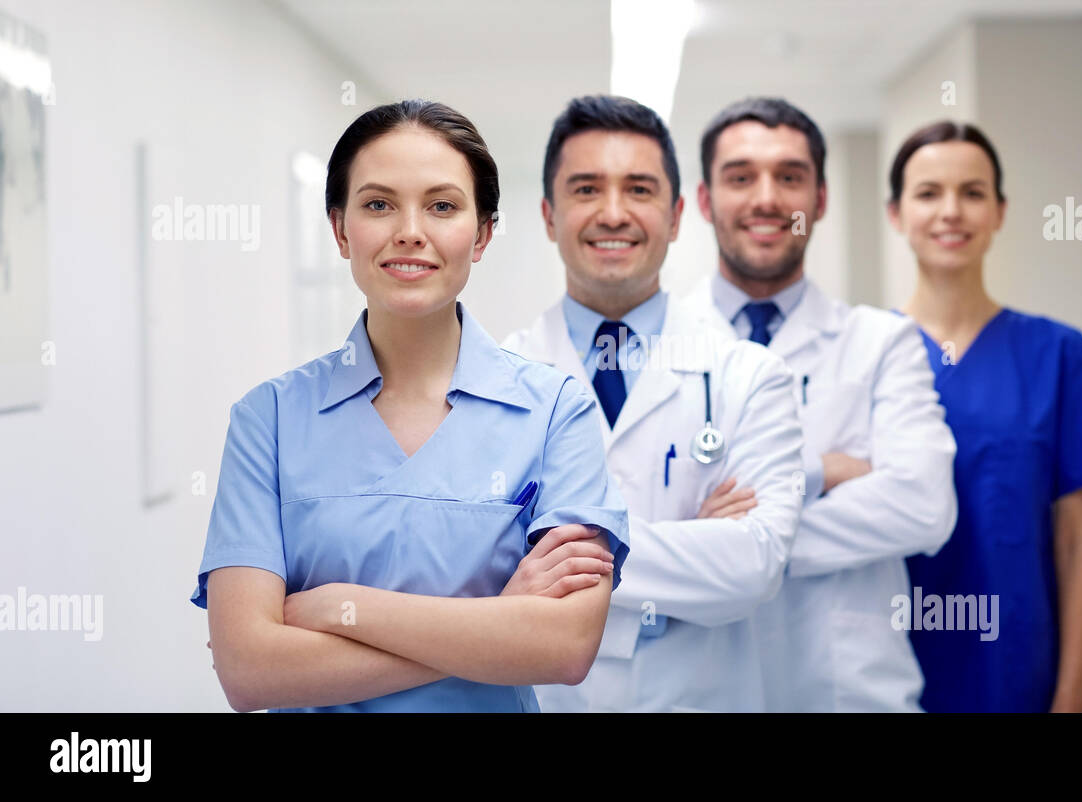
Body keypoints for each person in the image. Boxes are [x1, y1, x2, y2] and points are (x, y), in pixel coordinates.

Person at [190, 100, 630, 713]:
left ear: (481, 235)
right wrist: (497, 622)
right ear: (341, 230)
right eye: (378, 204)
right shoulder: (269, 419)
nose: (410, 230)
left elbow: (564, 649)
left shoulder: (557, 411)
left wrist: (337, 609)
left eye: (443, 206)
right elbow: (249, 672)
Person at [502, 95, 804, 712]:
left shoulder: (751, 374)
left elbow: (756, 564)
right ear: (548, 214)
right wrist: (691, 542)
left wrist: (554, 552)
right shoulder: (497, 380)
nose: (613, 214)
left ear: (675, 214)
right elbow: (477, 568)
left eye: (638, 190)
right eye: (586, 189)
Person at [687, 97, 958, 712]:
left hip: (851, 696)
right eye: (740, 177)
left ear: (821, 199)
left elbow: (924, 505)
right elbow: (639, 528)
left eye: (789, 176)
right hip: (698, 692)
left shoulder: (880, 342)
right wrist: (822, 472)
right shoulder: (658, 346)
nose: (767, 198)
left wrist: (717, 539)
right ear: (705, 201)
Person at [887, 120, 1082, 712]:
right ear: (896, 213)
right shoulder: (862, 354)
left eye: (973, 193)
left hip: (1016, 672)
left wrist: (1072, 694)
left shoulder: (1056, 353)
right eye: (928, 193)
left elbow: (1081, 539)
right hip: (884, 667)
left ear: (1000, 212)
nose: (951, 211)